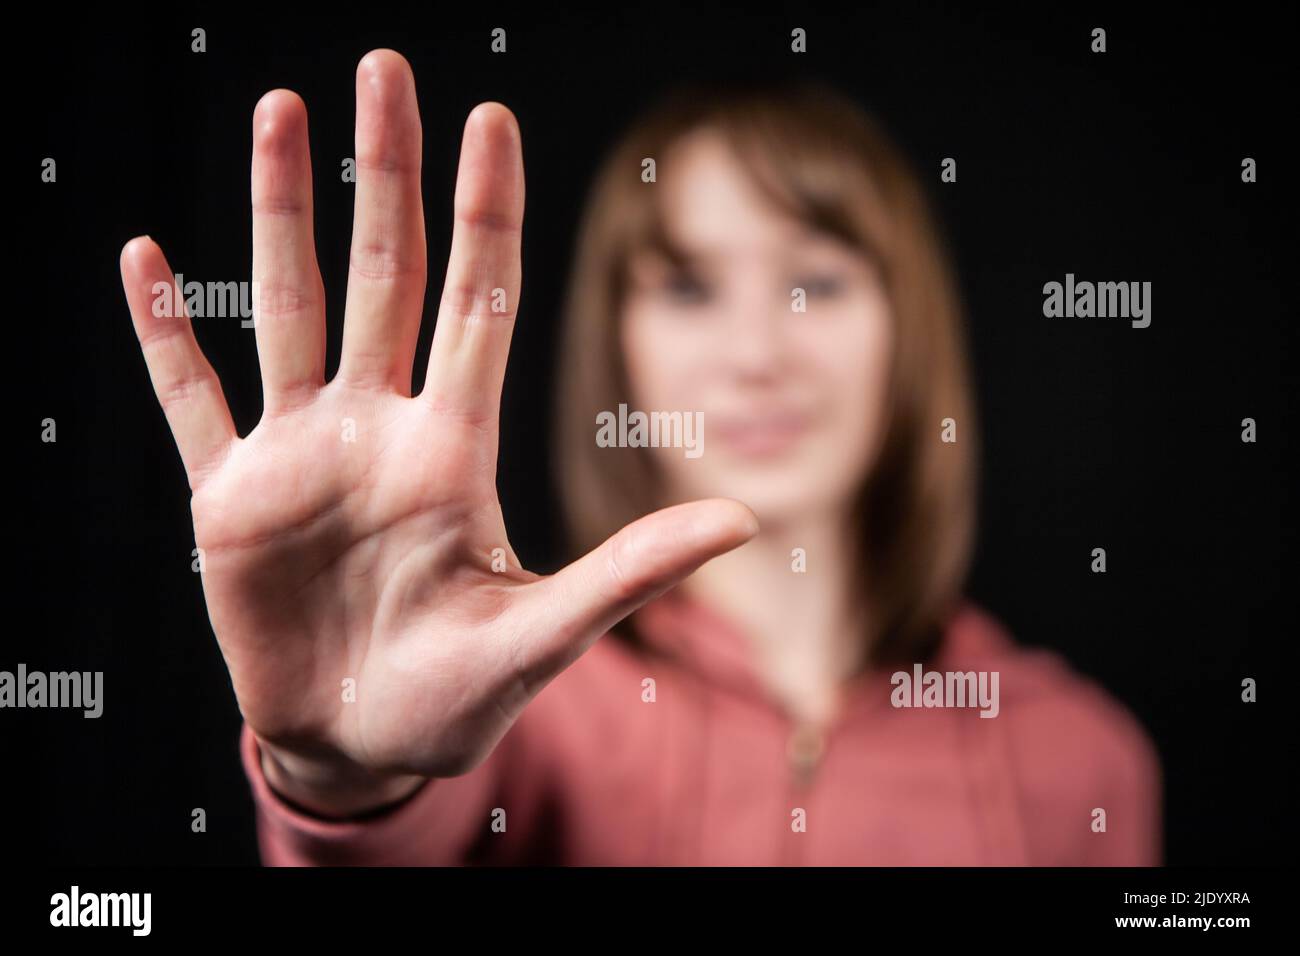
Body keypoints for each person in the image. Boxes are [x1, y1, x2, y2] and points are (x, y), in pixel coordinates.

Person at [117, 49, 1161, 865]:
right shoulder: (514, 708)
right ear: (617, 346)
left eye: (820, 281)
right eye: (690, 287)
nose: (758, 354)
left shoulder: (1081, 756)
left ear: (910, 330)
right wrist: (338, 770)